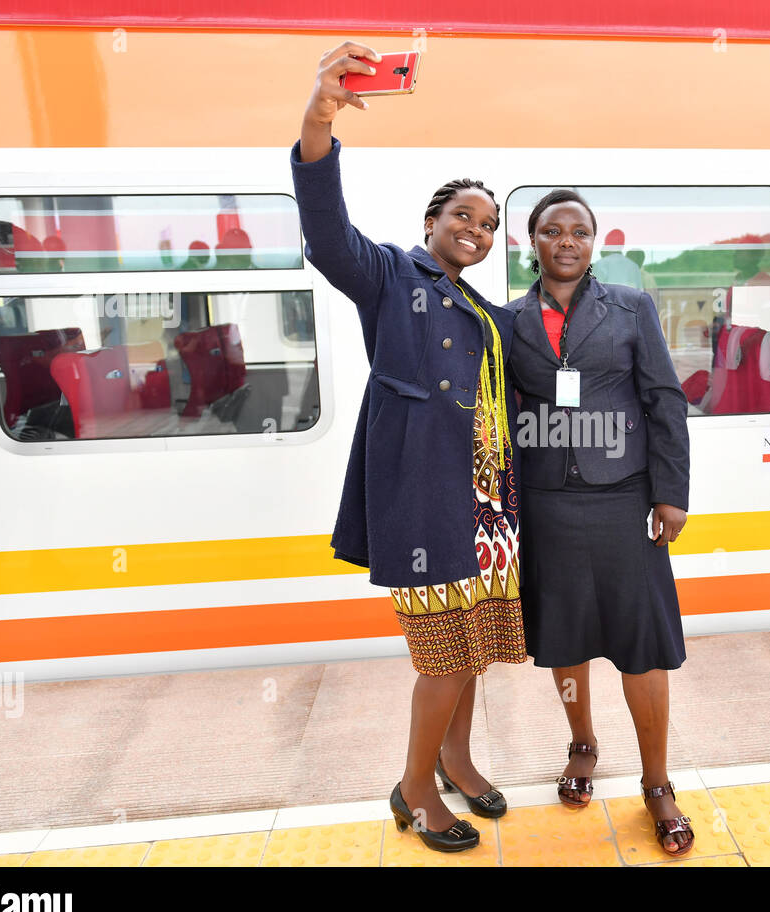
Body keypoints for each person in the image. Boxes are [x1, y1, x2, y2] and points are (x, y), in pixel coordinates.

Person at [289, 41, 525, 853]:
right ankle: (416, 789)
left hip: (488, 510)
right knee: (444, 657)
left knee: (475, 649)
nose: (476, 231)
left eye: (488, 225)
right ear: (431, 223)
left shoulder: (484, 308)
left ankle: (457, 759)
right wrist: (319, 120)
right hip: (424, 504)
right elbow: (327, 236)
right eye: (463, 216)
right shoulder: (391, 276)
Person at [508, 190, 695, 856]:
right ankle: (582, 745)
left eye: (579, 231)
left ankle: (657, 783)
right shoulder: (510, 319)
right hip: (546, 501)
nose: (566, 241)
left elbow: (664, 400)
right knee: (564, 637)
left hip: (623, 498)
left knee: (642, 641)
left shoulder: (632, 307)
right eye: (552, 230)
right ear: (532, 242)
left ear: (594, 242)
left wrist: (670, 493)